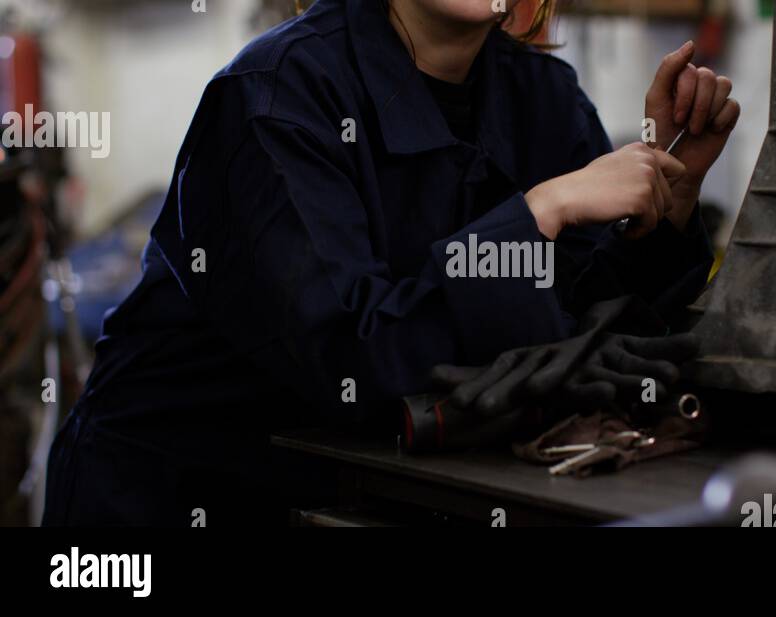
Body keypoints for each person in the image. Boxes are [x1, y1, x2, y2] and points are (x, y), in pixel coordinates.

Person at [43, 0, 739, 526]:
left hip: (362, 493)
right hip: (177, 495)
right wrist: (538, 212)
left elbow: (587, 329)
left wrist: (666, 212)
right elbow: (350, 359)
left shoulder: (544, 99)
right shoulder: (275, 96)